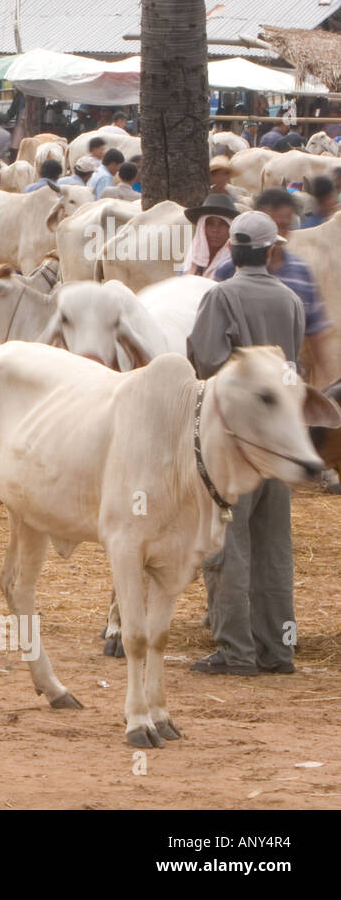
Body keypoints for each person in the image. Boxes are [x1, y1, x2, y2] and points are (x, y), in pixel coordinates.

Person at [186, 210, 308, 677]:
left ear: (233, 250)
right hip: (280, 446)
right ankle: (279, 650)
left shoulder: (221, 295)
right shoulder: (291, 300)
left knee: (228, 546)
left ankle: (235, 651)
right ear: (270, 249)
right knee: (274, 546)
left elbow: (205, 361)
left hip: (234, 447)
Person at [208, 188, 335, 384]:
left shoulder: (301, 273)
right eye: (269, 225)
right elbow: (214, 335)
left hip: (287, 380)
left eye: (283, 226)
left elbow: (317, 335)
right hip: (242, 382)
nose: (275, 234)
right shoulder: (227, 271)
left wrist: (328, 385)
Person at [181, 193, 239, 276]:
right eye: (210, 223)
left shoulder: (234, 267)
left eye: (222, 224)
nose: (215, 230)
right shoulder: (190, 263)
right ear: (202, 227)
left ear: (231, 228)